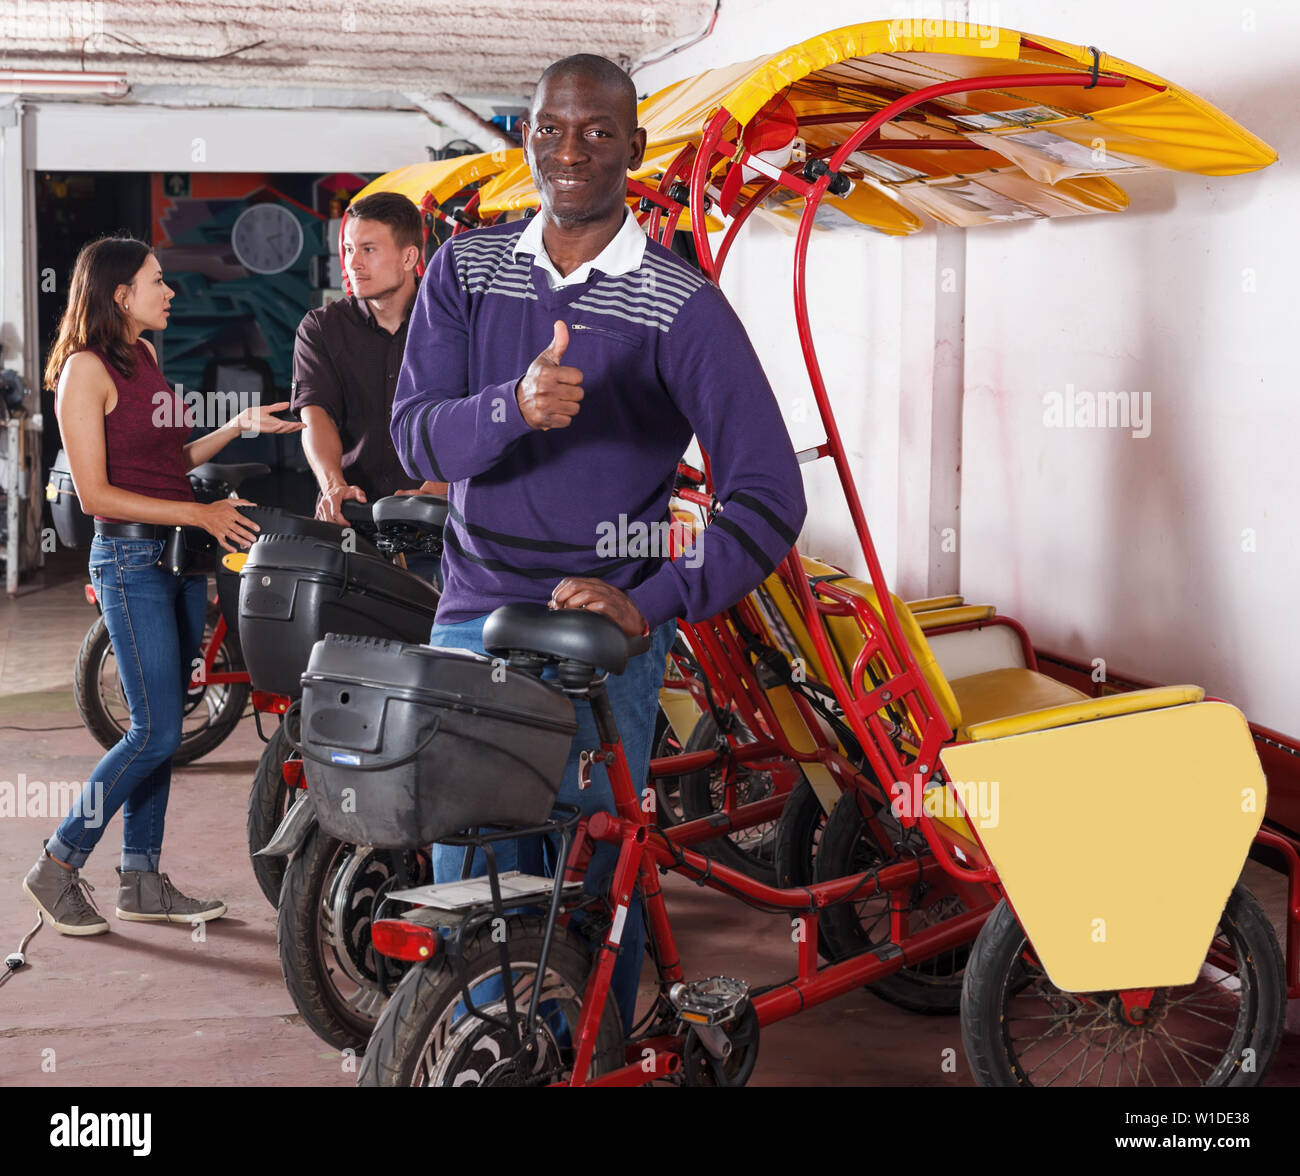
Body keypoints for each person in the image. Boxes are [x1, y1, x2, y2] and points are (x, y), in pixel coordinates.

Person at [390, 55, 807, 1034]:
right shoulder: (465, 270)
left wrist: (650, 601)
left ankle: (601, 1055)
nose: (567, 150)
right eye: (548, 130)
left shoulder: (679, 304)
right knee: (475, 891)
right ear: (526, 138)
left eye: (593, 131)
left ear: (633, 146)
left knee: (592, 884)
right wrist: (511, 406)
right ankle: (496, 1051)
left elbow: (767, 491)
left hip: (603, 642)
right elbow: (413, 433)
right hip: (472, 624)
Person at [23, 236, 302, 935]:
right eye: (157, 281)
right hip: (127, 562)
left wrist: (235, 428)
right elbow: (94, 495)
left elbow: (167, 459)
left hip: (175, 563)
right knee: (151, 733)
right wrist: (200, 512)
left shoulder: (142, 358)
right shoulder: (85, 371)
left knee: (165, 729)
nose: (170, 291)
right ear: (121, 294)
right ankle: (57, 864)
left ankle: (141, 879)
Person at [292, 192, 445, 580]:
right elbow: (315, 414)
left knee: (436, 639)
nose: (352, 263)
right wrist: (333, 486)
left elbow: (476, 414)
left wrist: (441, 487)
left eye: (368, 249)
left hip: (441, 527)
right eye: (347, 249)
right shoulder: (321, 328)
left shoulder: (455, 322)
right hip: (352, 523)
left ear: (410, 257)